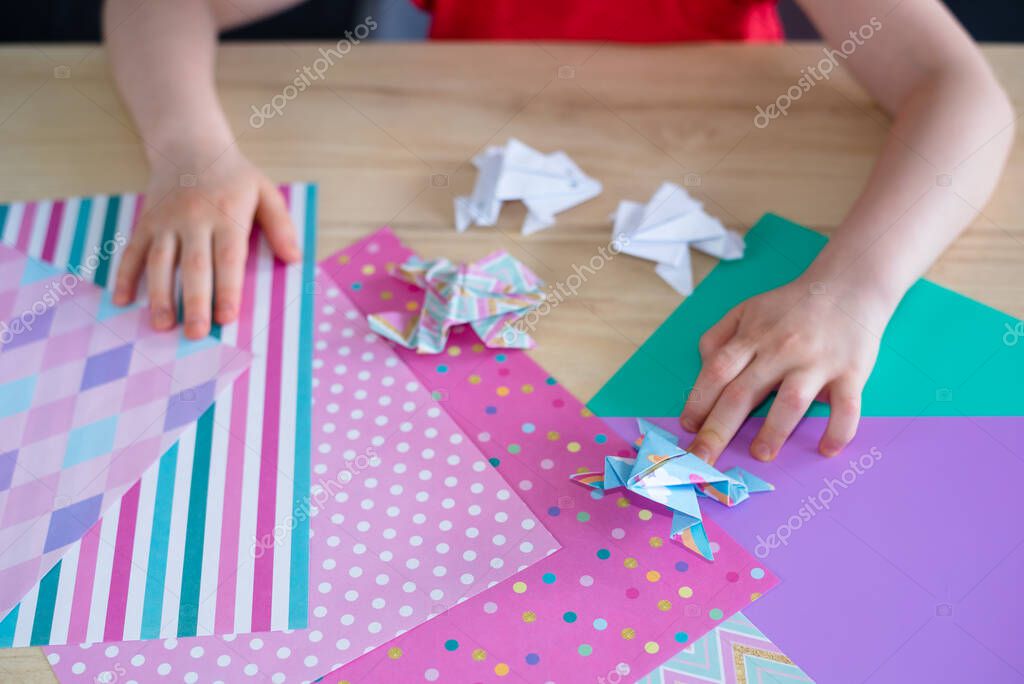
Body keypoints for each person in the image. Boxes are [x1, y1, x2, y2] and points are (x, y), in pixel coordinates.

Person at [103, 0, 1015, 464]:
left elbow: (963, 94)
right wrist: (190, 150)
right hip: (486, 192)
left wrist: (851, 287)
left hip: (730, 167)